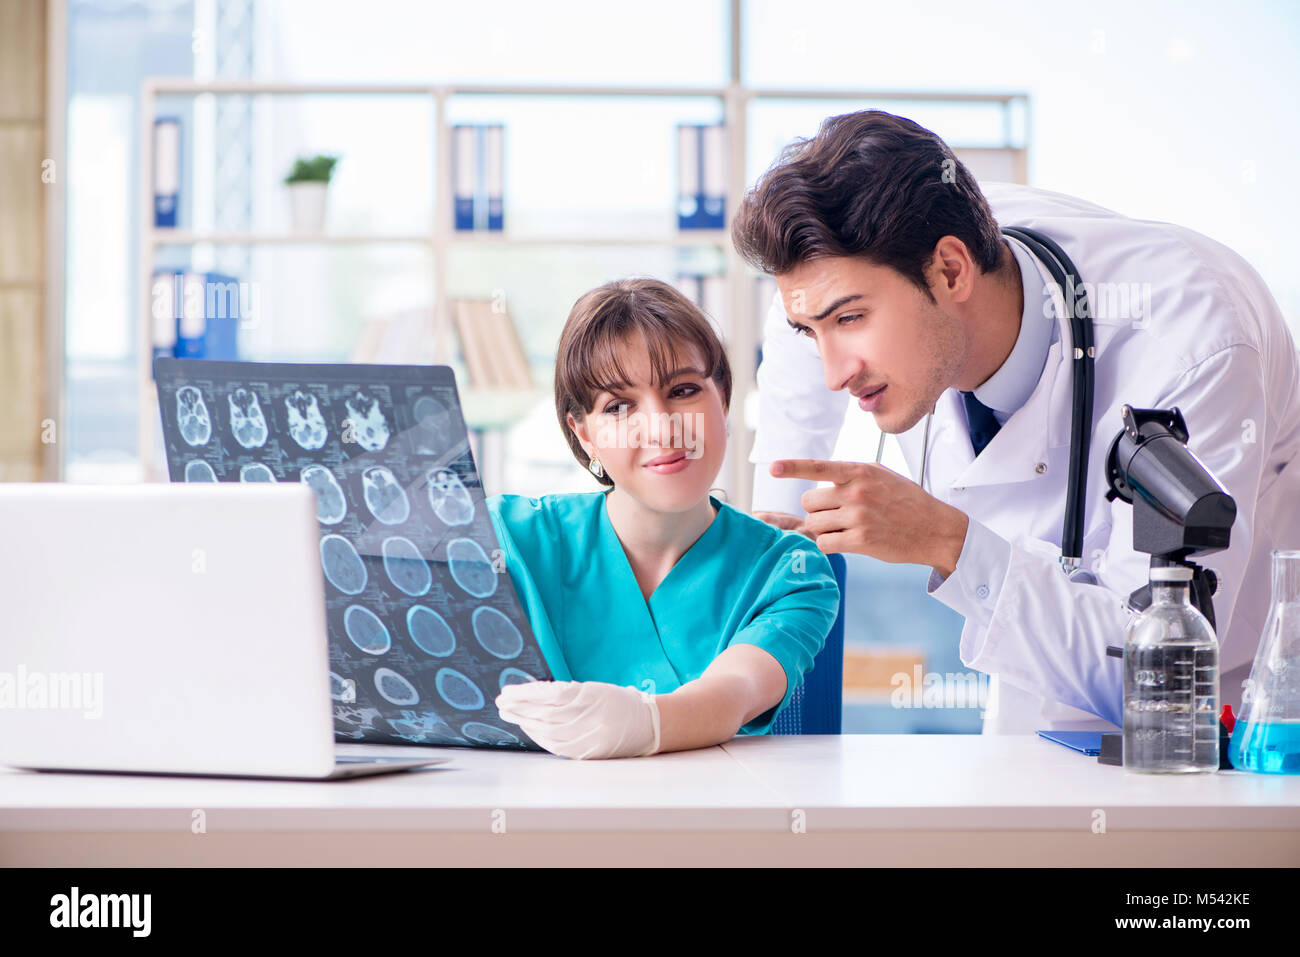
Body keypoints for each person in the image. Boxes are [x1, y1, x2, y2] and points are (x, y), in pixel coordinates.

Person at [733, 109, 1300, 734]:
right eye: (810, 329)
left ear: (951, 271)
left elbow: (1160, 673)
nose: (834, 372)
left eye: (849, 321)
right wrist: (772, 555)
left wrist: (944, 540)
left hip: (1224, 707)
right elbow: (801, 327)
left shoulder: (1193, 344)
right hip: (1033, 672)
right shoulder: (892, 245)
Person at [488, 278, 840, 759]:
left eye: (683, 390)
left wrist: (647, 724)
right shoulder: (505, 542)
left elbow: (734, 692)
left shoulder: (789, 573)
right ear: (584, 434)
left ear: (724, 399)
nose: (661, 426)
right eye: (619, 406)